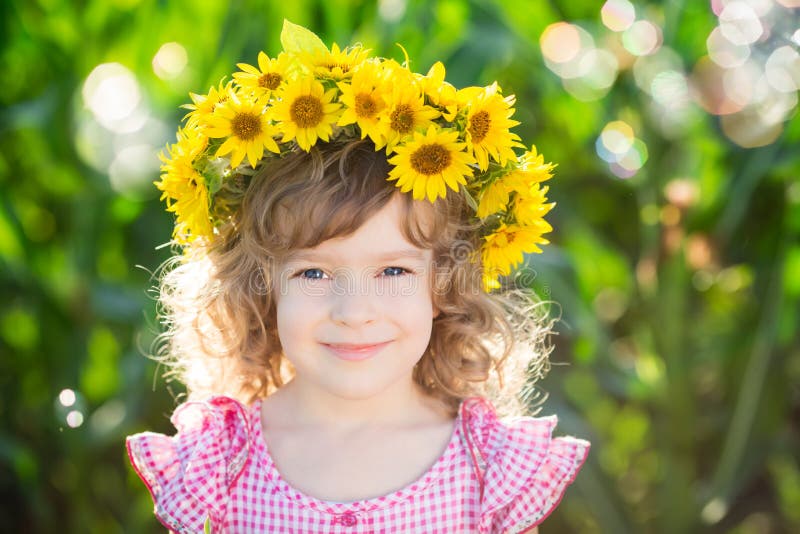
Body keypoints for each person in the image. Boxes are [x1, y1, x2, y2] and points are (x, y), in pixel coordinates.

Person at [126, 20, 590, 533]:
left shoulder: (492, 473)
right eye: (313, 273)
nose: (354, 313)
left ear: (443, 283)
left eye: (392, 269)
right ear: (262, 283)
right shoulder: (218, 468)